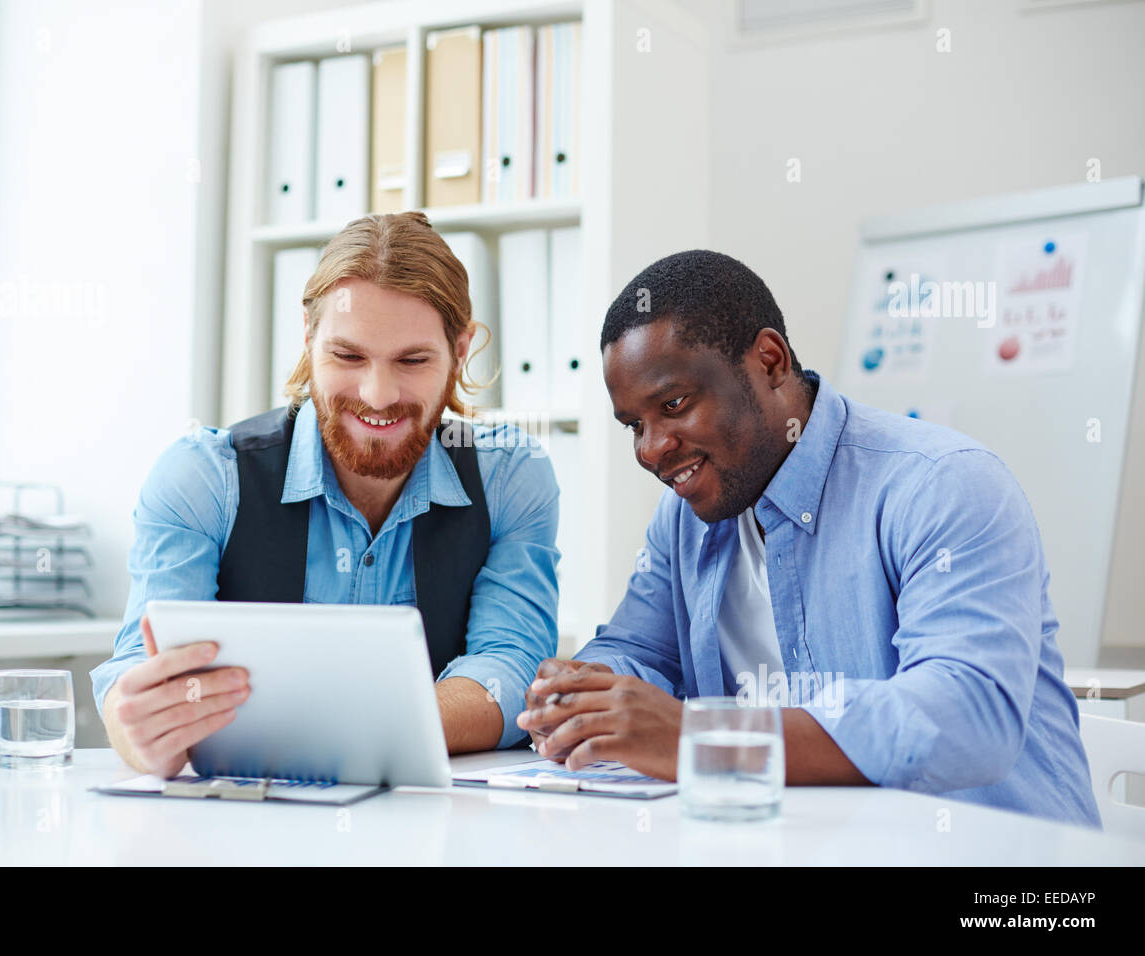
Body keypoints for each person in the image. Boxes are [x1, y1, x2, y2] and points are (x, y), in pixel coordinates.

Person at [516, 249, 1100, 827]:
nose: (650, 449)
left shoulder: (942, 483)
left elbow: (967, 717)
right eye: (634, 426)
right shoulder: (683, 519)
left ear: (769, 361)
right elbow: (640, 652)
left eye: (674, 405)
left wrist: (699, 736)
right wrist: (583, 695)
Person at [93, 211, 559, 778]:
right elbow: (134, 675)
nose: (377, 394)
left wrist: (355, 726)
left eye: (412, 361)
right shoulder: (203, 478)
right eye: (348, 356)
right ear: (310, 338)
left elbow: (511, 669)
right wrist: (138, 727)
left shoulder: (510, 477)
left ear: (460, 352)